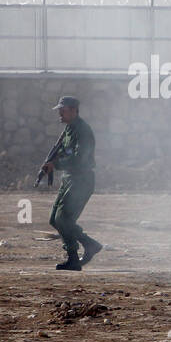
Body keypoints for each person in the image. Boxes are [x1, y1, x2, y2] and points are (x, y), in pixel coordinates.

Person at [42, 96, 102, 271]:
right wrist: (52, 162)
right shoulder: (69, 129)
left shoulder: (83, 131)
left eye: (64, 110)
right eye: (59, 110)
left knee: (63, 219)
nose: (60, 113)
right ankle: (88, 245)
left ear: (74, 110)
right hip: (69, 178)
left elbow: (79, 159)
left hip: (81, 180)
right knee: (55, 219)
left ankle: (74, 257)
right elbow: (63, 151)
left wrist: (56, 165)